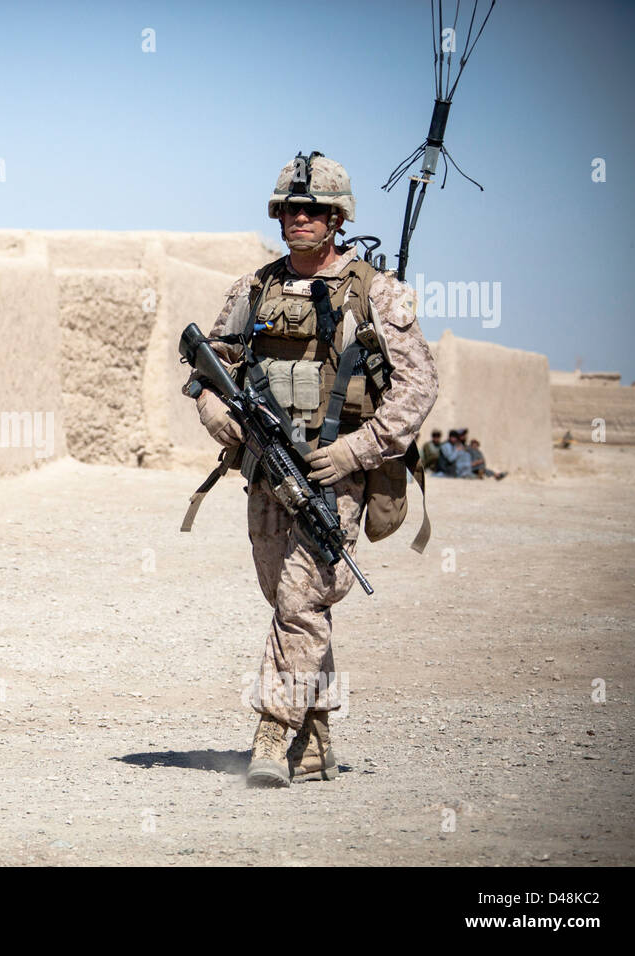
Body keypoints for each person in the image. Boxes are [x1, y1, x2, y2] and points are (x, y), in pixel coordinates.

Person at [189, 152, 438, 787]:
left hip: (339, 477)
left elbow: (417, 388)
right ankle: (318, 735)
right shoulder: (253, 290)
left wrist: (358, 450)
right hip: (266, 467)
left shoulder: (378, 292)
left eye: (315, 211)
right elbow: (207, 368)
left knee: (303, 597)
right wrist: (218, 417)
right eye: (291, 209)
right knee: (286, 598)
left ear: (337, 218)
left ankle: (273, 732)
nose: (301, 218)